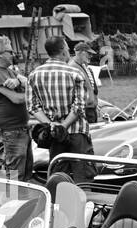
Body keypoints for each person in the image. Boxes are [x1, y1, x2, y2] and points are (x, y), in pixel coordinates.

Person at [26, 35, 91, 182]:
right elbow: (79, 107)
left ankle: (59, 205)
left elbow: (32, 106)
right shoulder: (74, 73)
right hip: (77, 132)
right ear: (62, 51)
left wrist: (51, 125)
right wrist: (64, 126)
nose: (69, 52)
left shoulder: (34, 75)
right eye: (68, 49)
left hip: (53, 134)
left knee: (58, 178)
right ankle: (85, 204)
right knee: (83, 177)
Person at [0, 35, 31, 181]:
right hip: (11, 128)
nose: (13, 54)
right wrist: (28, 88)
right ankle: (12, 201)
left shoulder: (8, 71)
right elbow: (17, 98)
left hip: (20, 127)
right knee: (15, 173)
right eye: (10, 51)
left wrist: (19, 81)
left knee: (25, 171)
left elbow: (27, 84)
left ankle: (24, 200)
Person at [71, 40, 101, 127]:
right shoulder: (72, 67)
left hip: (91, 109)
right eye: (89, 53)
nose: (91, 56)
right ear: (81, 53)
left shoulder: (83, 65)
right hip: (84, 110)